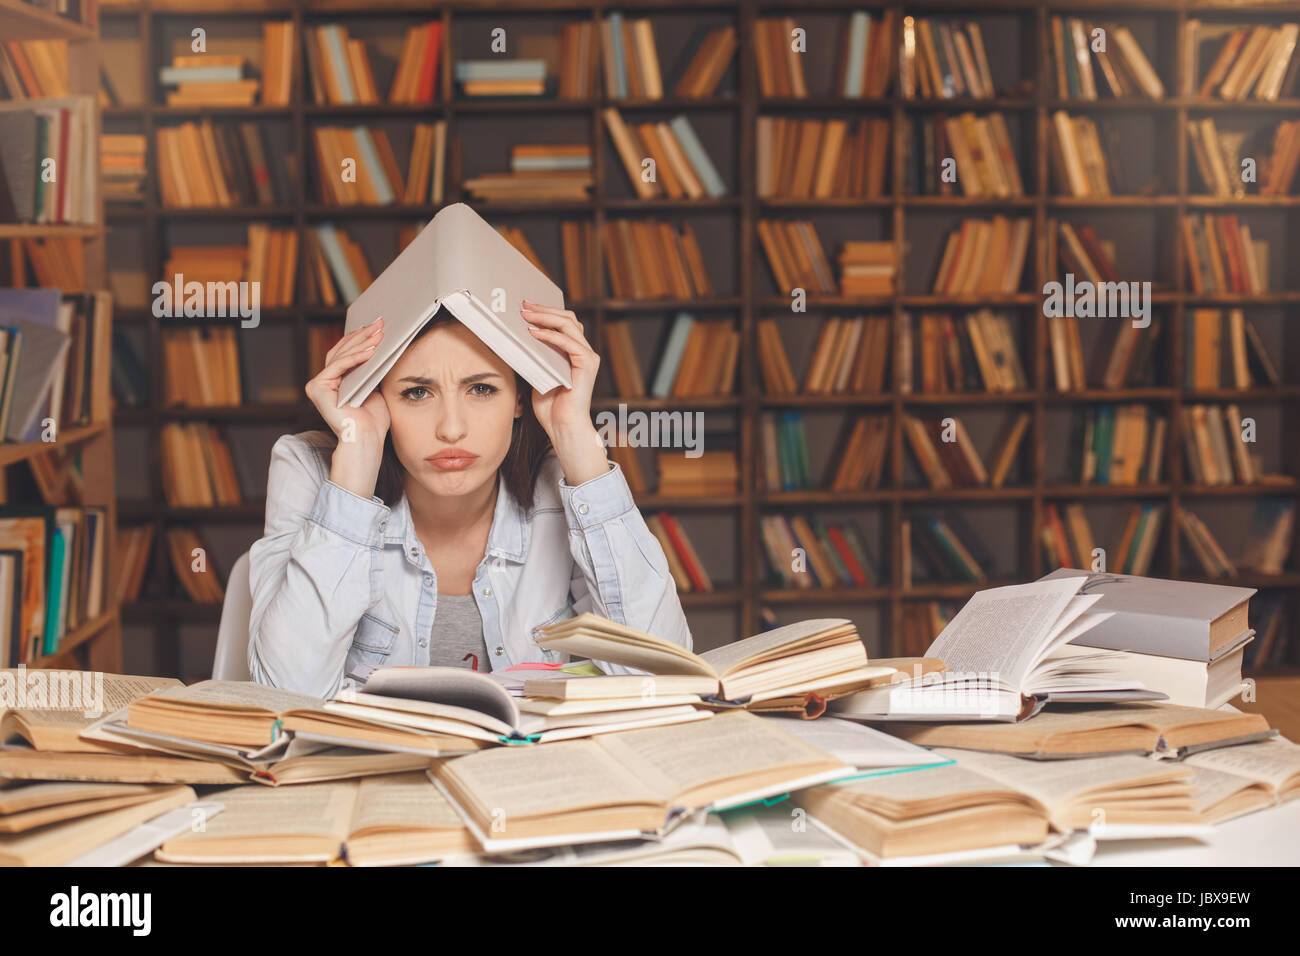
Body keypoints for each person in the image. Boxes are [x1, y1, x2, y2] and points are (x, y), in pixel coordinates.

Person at [246, 299, 692, 698]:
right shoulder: (311, 468)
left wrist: (576, 434)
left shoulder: (562, 482)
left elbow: (661, 675)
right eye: (416, 392)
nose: (452, 428)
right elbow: (286, 695)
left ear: (520, 396)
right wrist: (356, 454)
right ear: (374, 396)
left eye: (481, 389)